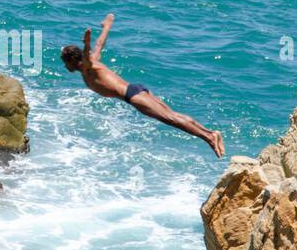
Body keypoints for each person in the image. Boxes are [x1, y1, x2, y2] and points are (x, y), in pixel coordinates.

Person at [61, 13, 225, 157]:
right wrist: (107, 25)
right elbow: (101, 42)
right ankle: (211, 133)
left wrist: (87, 43)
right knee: (173, 115)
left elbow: (90, 54)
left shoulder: (87, 68)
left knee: (170, 118)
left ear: (72, 61)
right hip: (135, 90)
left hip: (132, 96)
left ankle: (209, 137)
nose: (65, 67)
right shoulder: (92, 60)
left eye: (65, 63)